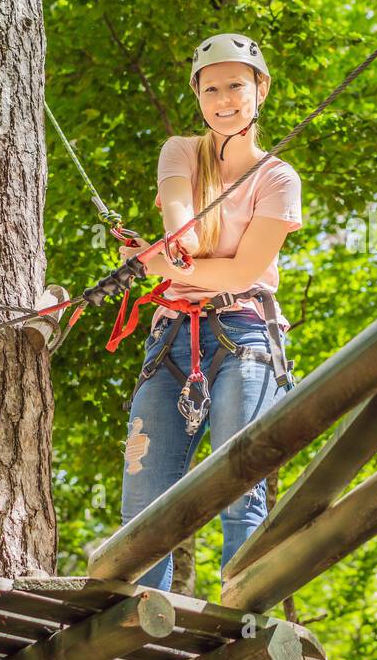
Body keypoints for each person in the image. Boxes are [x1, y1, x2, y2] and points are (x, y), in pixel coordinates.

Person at [116, 33, 303, 594]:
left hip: (245, 334)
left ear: (260, 89)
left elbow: (242, 274)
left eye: (236, 86)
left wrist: (161, 267)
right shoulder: (179, 152)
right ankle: (142, 626)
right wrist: (175, 255)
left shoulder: (277, 179)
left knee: (237, 484)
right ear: (197, 96)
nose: (224, 100)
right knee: (144, 500)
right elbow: (185, 233)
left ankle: (241, 622)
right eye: (211, 88)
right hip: (172, 335)